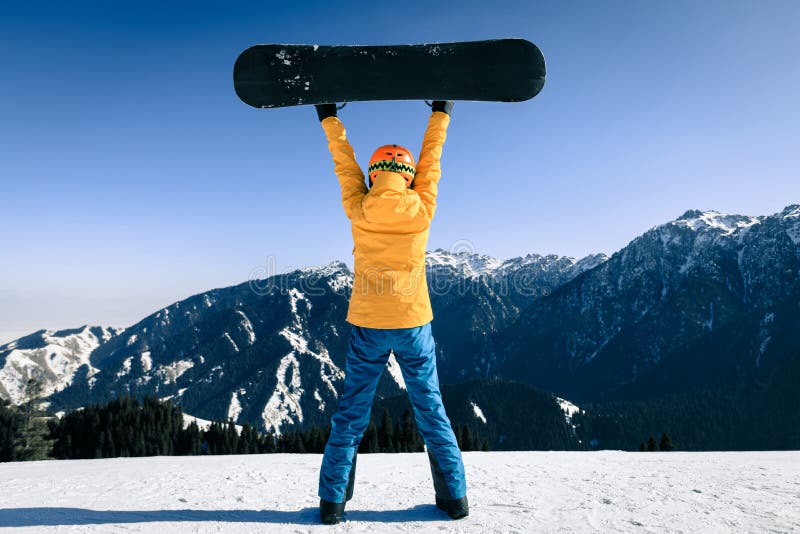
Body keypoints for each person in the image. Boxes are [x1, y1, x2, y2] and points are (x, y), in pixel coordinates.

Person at [314, 100, 468, 524]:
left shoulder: (359, 207)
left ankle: (332, 506)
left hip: (367, 322)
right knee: (431, 409)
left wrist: (330, 117)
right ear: (409, 177)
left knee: (351, 414)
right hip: (414, 319)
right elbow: (432, 159)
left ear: (374, 175)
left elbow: (343, 165)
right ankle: (454, 500)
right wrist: (441, 112)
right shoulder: (422, 207)